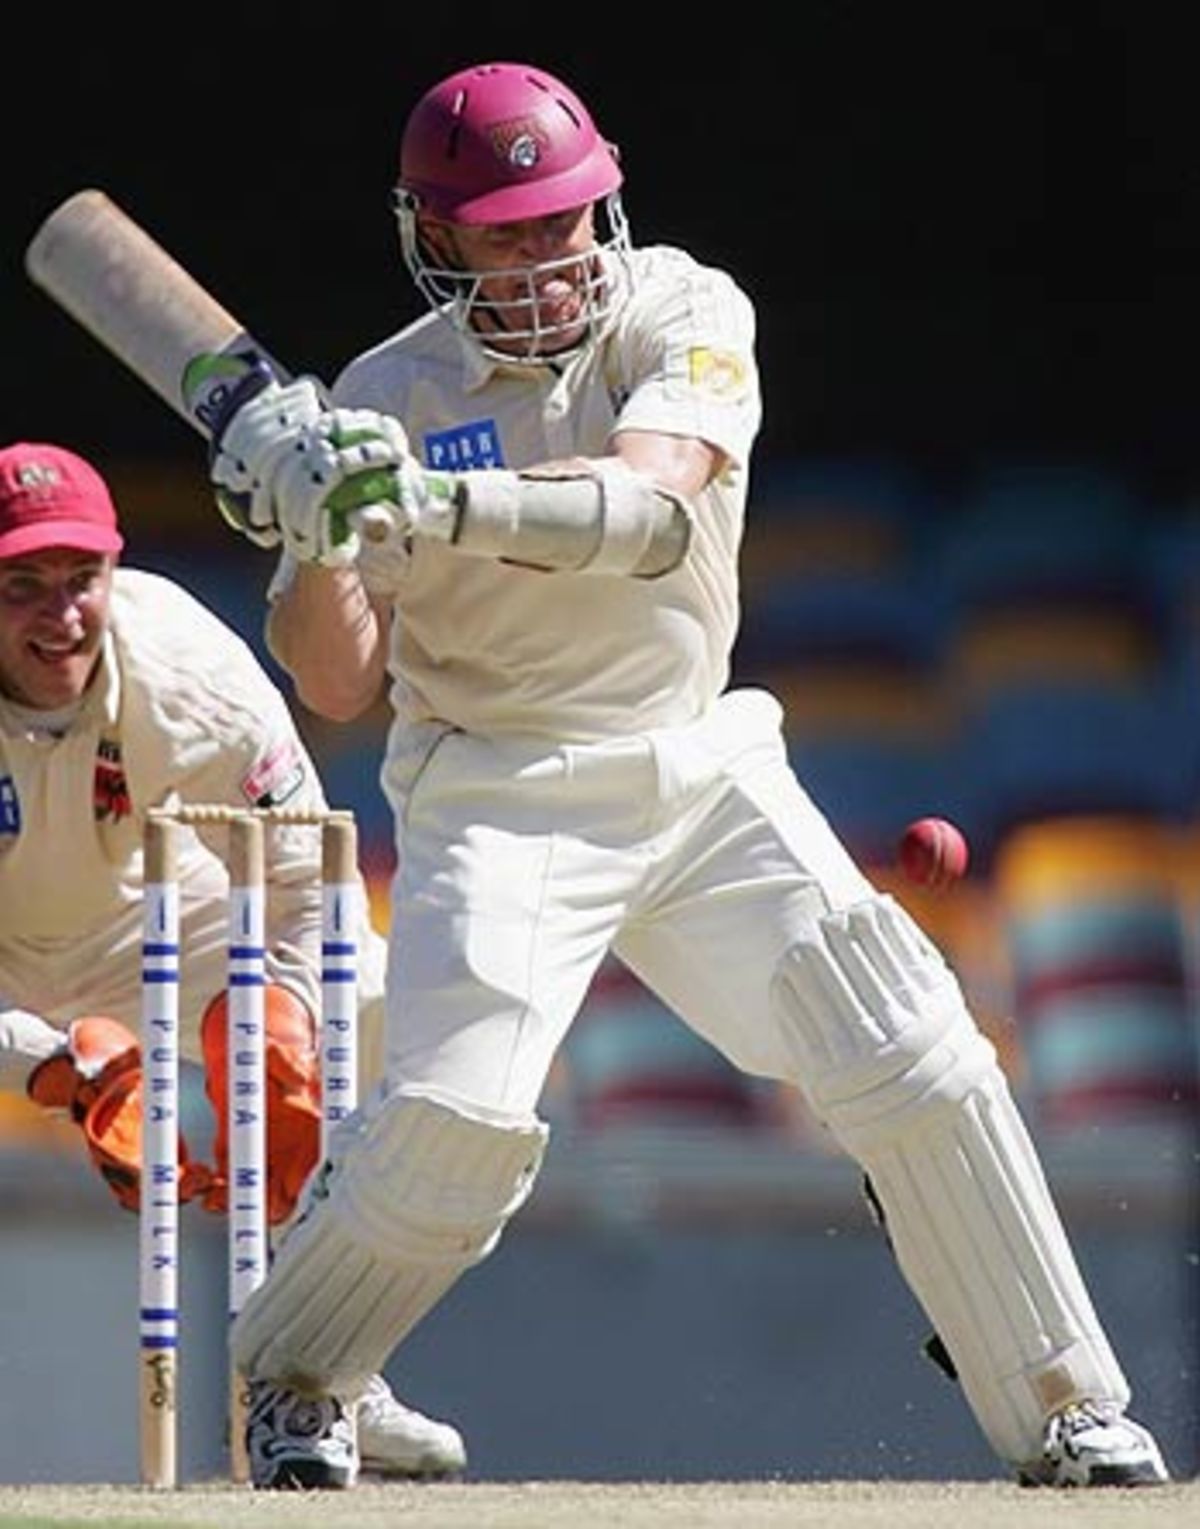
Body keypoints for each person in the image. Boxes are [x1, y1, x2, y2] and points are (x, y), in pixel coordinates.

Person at [206, 60, 1170, 1491]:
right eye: (508, 231)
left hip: (694, 755)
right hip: (498, 785)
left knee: (909, 1040)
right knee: (457, 1132)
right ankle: (297, 1379)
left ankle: (1066, 1409)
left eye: (566, 218)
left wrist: (431, 497)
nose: (548, 257)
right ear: (437, 237)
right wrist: (319, 537)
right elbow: (338, 680)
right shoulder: (385, 394)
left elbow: (654, 509)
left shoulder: (684, 303)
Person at [0, 439, 466, 1481]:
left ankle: (328, 1376)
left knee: (365, 991)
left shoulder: (184, 672)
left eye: (81, 580)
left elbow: (312, 874)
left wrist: (287, 1018)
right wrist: (53, 1062)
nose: (60, 614)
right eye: (21, 585)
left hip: (175, 923)